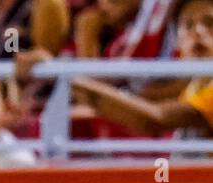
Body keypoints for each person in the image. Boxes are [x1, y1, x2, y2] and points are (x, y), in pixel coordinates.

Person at [65, 0, 213, 138]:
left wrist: (67, 80)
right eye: (188, 25)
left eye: (210, 23)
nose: (197, 31)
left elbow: (155, 119)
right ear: (178, 42)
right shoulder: (196, 88)